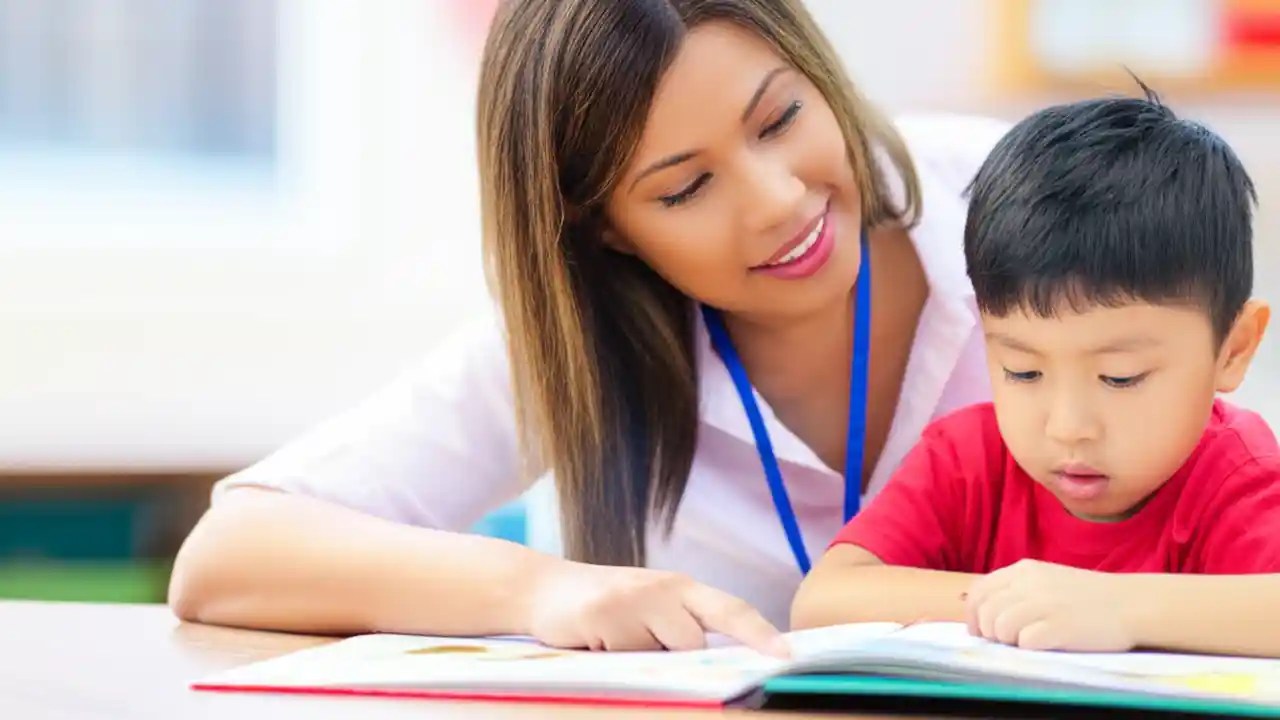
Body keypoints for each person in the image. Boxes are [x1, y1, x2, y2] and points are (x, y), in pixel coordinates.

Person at [167, 0, 1008, 652]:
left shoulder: (1022, 197)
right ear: (601, 225)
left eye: (781, 119)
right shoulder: (578, 338)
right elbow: (229, 554)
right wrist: (536, 590)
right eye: (685, 190)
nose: (778, 201)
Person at [791, 87, 1280, 658]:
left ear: (1234, 349)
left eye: (1119, 378)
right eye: (1022, 372)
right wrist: (1023, 603)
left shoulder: (1235, 475)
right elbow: (822, 600)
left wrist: (1114, 607)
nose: (1068, 427)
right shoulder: (967, 459)